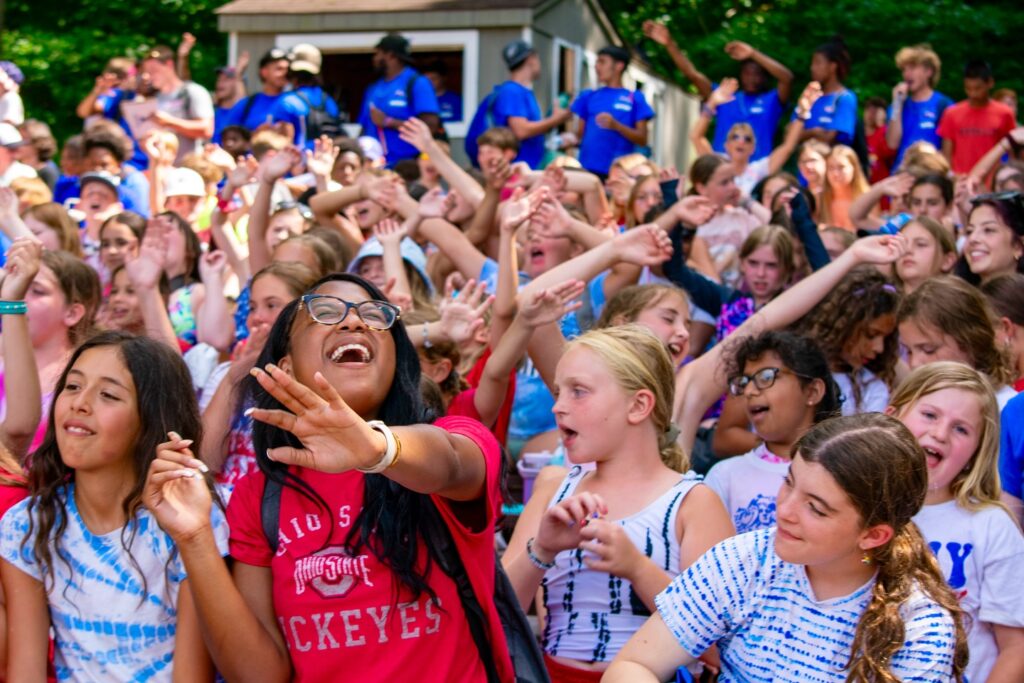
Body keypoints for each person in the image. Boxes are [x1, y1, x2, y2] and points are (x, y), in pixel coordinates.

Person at [143, 272, 516, 682]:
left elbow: (453, 463)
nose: (354, 322)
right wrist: (195, 538)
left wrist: (377, 449)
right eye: (325, 312)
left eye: (375, 315)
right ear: (285, 364)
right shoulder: (259, 496)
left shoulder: (454, 438)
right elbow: (260, 676)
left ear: (396, 358)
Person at [604, 413, 967, 682]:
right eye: (788, 483)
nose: (786, 510)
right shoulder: (745, 560)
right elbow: (633, 665)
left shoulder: (920, 625)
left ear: (873, 535)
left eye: (816, 507)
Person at [502, 325, 733, 681]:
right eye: (558, 391)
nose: (558, 407)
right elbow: (496, 615)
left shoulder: (694, 502)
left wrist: (638, 569)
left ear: (639, 405)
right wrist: (541, 551)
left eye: (578, 392)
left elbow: (719, 648)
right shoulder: (553, 489)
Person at [0, 332, 227, 681]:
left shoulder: (189, 515)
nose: (79, 403)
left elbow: (192, 673)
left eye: (108, 394)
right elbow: (25, 671)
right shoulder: (27, 523)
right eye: (72, 387)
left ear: (151, 420)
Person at [887, 363, 1024, 683]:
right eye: (930, 415)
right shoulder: (859, 508)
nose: (940, 433)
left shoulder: (991, 526)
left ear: (976, 454)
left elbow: (1016, 648)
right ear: (892, 416)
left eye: (961, 429)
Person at [705, 331, 841, 533]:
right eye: (744, 382)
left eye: (766, 376)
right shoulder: (724, 477)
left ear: (812, 392)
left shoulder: (843, 473)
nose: (750, 391)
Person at [642, 22, 792, 161]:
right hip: (721, 169)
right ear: (741, 75)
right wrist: (670, 44)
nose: (752, 78)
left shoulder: (771, 101)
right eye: (747, 73)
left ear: (765, 77)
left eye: (757, 74)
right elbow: (692, 74)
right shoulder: (724, 97)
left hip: (756, 174)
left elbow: (787, 78)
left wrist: (753, 54)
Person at [896, 275, 1018, 409]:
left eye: (928, 349)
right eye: (908, 351)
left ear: (971, 343)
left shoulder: (1008, 409)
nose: (914, 363)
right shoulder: (910, 406)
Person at [357, 34, 441, 166]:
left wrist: (388, 121)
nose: (374, 58)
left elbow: (430, 125)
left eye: (378, 54)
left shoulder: (417, 83)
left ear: (390, 55)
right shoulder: (373, 88)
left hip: (407, 166)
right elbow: (364, 128)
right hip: (375, 168)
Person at [570, 46, 654, 178]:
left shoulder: (634, 98)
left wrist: (616, 126)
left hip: (618, 173)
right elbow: (578, 135)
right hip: (586, 169)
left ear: (619, 66)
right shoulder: (588, 96)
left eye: (602, 62)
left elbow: (642, 139)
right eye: (597, 62)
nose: (597, 67)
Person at [487, 40, 572, 169]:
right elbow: (521, 130)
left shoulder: (523, 91)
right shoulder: (512, 91)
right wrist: (555, 120)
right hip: (519, 171)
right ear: (530, 59)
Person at [937, 59, 1016, 175]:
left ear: (990, 83)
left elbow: (1013, 153)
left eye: (978, 88)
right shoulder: (951, 113)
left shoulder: (1004, 113)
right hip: (961, 182)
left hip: (991, 184)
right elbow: (946, 156)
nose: (973, 94)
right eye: (968, 88)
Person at [139, 45, 215, 163]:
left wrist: (170, 122)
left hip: (189, 167)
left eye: (153, 71)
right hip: (160, 169)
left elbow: (206, 129)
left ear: (169, 65)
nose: (148, 76)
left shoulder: (193, 91)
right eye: (146, 72)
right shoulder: (153, 98)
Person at [887, 44, 954, 170]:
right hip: (902, 175)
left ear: (928, 71)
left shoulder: (944, 105)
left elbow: (949, 151)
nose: (907, 74)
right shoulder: (898, 104)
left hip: (930, 175)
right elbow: (892, 144)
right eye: (904, 70)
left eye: (912, 68)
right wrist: (897, 103)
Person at [278, 44, 342, 150]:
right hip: (328, 158)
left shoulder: (286, 101)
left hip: (299, 160)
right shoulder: (329, 101)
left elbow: (280, 142)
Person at [219, 48, 292, 136]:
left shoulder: (294, 102)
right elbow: (226, 137)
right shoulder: (247, 104)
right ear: (264, 72)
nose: (285, 73)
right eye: (279, 69)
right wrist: (256, 135)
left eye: (287, 69)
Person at [801, 37, 857, 147]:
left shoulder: (844, 98)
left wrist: (803, 133)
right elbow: (789, 134)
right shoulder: (809, 97)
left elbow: (830, 138)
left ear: (832, 67)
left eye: (818, 63)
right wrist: (814, 132)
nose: (812, 68)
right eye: (812, 63)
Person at [957, 192, 1024, 284]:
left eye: (988, 230)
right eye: (969, 231)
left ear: (1018, 246)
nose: (972, 238)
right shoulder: (954, 296)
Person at [820, 144, 870, 230]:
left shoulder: (868, 197)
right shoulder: (821, 198)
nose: (835, 174)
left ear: (854, 168)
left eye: (841, 167)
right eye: (831, 168)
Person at [422, 60, 462, 124]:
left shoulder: (455, 100)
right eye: (426, 79)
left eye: (433, 79)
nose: (429, 82)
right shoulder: (420, 99)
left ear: (443, 78)